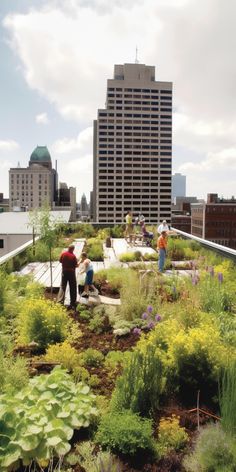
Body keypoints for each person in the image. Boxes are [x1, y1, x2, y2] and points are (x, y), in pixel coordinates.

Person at [57, 244, 77, 310]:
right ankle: (73, 303)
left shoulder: (63, 254)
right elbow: (75, 265)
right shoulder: (73, 256)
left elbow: (60, 261)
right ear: (73, 249)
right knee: (73, 287)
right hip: (71, 273)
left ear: (68, 248)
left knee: (63, 286)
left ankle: (60, 302)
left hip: (64, 272)